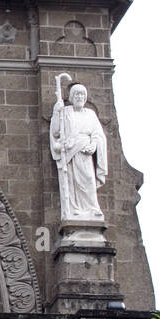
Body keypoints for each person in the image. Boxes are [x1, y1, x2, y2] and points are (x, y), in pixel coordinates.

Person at [49, 83, 108, 220]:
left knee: (87, 179)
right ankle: (74, 209)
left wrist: (94, 144)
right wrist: (56, 112)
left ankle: (92, 208)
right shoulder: (65, 112)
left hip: (85, 151)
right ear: (71, 97)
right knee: (72, 181)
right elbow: (56, 131)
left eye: (82, 94)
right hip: (70, 152)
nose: (79, 97)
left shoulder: (90, 114)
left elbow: (98, 134)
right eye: (76, 94)